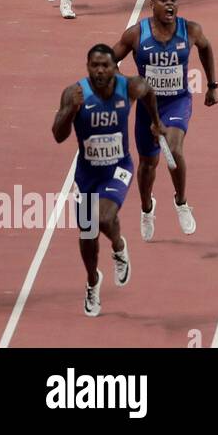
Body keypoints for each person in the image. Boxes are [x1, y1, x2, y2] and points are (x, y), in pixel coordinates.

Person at [52, 44, 166, 316]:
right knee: (88, 233)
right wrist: (71, 110)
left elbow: (149, 92)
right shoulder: (74, 93)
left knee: (103, 217)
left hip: (118, 167)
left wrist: (156, 122)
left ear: (115, 67)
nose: (100, 70)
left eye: (106, 65)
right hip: (87, 173)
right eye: (95, 65)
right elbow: (58, 135)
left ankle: (117, 248)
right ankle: (93, 280)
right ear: (87, 67)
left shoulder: (129, 87)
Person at [111, 0, 218, 240]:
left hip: (177, 102)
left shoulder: (190, 30)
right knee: (148, 164)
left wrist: (212, 85)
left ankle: (181, 203)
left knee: (175, 148)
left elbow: (205, 47)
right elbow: (108, 60)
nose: (170, 4)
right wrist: (127, 85)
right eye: (164, 0)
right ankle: (147, 209)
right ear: (153, 5)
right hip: (148, 108)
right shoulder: (136, 35)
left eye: (173, 0)